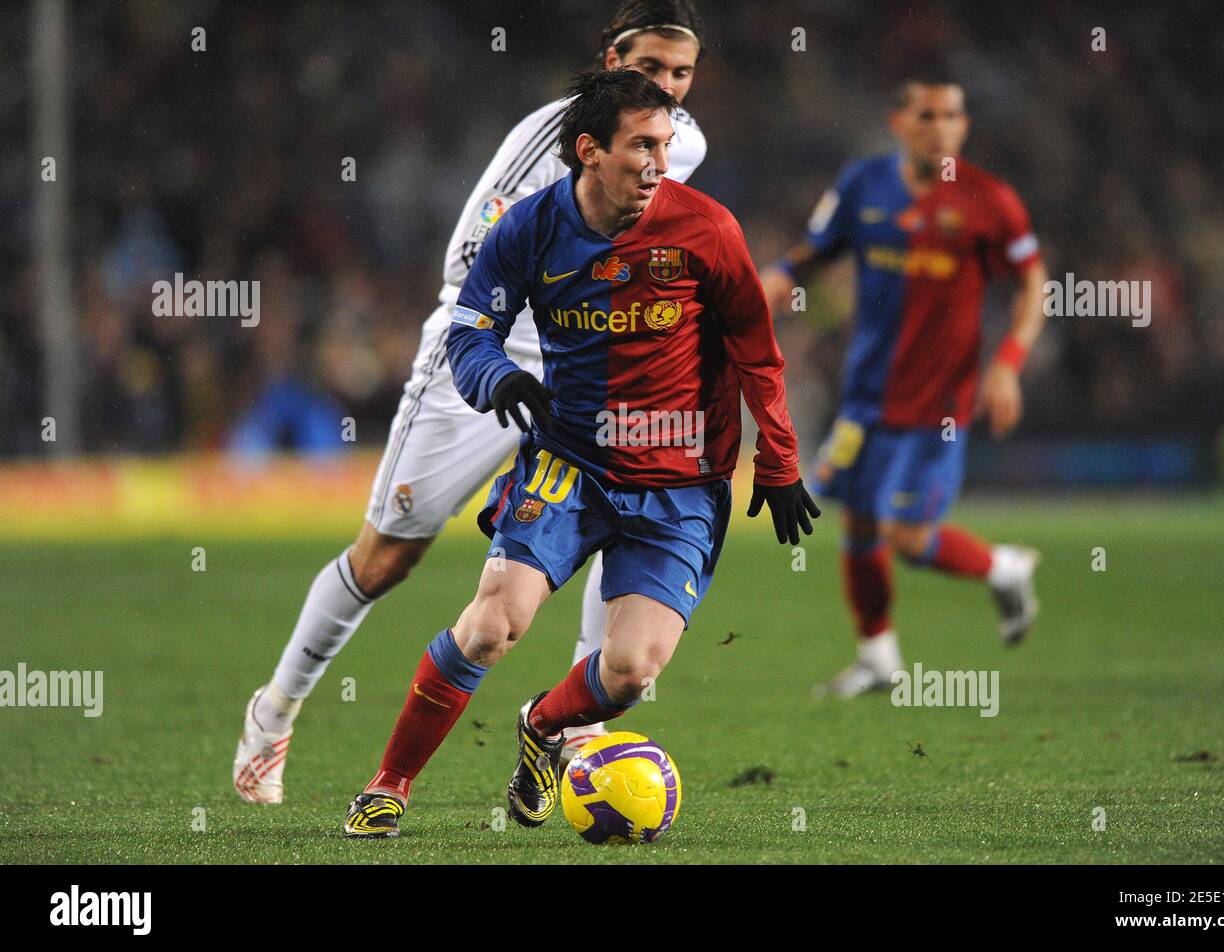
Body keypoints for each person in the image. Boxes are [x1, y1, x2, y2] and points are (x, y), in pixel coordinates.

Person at [234, 1, 711, 803]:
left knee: (623, 503)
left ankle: (576, 731)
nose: (664, 85)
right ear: (609, 59)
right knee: (387, 555)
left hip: (591, 357)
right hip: (493, 353)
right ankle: (275, 710)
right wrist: (503, 343)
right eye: (648, 68)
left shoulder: (684, 142)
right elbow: (468, 256)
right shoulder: (552, 133)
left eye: (680, 73)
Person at [342, 68, 818, 837]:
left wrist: (780, 460)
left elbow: (758, 353)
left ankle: (542, 725)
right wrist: (496, 377)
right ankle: (388, 783)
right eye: (640, 145)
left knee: (631, 671)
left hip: (681, 481)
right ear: (589, 151)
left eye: (664, 144)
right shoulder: (529, 227)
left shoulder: (708, 228)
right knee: (493, 622)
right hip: (571, 461)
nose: (658, 163)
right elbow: (469, 330)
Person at [759, 73, 1048, 697]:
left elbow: (1033, 282)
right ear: (898, 123)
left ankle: (1004, 567)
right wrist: (780, 274)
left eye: (951, 115)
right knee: (860, 524)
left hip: (938, 402)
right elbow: (816, 250)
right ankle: (878, 659)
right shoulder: (863, 185)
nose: (940, 127)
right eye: (926, 115)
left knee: (908, 536)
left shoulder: (988, 200)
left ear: (965, 126)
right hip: (867, 396)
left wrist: (1008, 363)